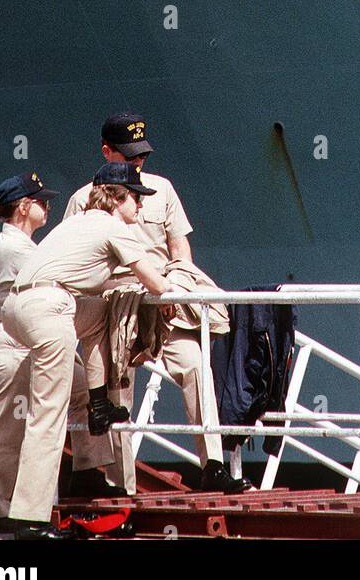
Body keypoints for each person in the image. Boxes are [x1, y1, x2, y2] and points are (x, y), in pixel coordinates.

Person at [66, 113, 250, 494]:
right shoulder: (82, 200)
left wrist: (176, 288)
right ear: (106, 152)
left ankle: (213, 466)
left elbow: (180, 248)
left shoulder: (161, 190)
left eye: (141, 157)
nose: (138, 163)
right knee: (118, 392)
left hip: (163, 302)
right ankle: (122, 486)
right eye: (129, 156)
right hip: (115, 307)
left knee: (196, 368)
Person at [1, 163, 175, 538]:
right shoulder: (114, 226)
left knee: (98, 314)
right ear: (116, 198)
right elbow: (152, 278)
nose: (141, 207)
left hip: (23, 306)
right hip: (49, 308)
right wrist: (174, 295)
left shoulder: (77, 223)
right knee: (48, 416)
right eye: (136, 198)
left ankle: (98, 402)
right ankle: (29, 520)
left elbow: (99, 277)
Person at [0, 171, 115, 535]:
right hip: (15, 347)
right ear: (22, 207)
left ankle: (84, 470)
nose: (47, 205)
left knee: (77, 393)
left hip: (21, 344)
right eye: (40, 200)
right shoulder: (18, 248)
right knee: (11, 428)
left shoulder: (15, 245)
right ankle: (8, 514)